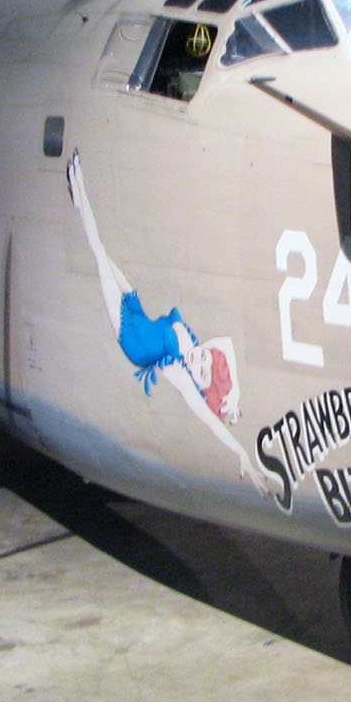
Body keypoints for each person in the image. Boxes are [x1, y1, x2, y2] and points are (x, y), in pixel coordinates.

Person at [67, 151, 272, 495]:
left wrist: (243, 457)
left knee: (100, 255)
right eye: (205, 358)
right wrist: (233, 390)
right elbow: (225, 346)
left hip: (132, 337)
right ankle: (79, 197)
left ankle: (79, 190)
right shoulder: (196, 347)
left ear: (199, 383)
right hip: (140, 312)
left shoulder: (180, 373)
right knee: (107, 257)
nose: (200, 360)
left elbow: (210, 422)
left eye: (203, 370)